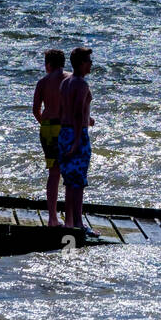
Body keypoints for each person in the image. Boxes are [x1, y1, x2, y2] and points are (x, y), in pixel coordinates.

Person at [57, 46, 95, 235]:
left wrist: (88, 119)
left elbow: (67, 111)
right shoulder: (81, 84)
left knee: (69, 180)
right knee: (78, 182)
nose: (91, 64)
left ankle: (69, 222)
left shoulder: (65, 83)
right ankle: (79, 223)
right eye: (89, 61)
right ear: (81, 63)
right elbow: (78, 112)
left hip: (64, 132)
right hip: (76, 134)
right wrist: (78, 140)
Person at [32, 48, 69, 226]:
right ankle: (71, 218)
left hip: (47, 127)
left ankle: (52, 218)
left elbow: (35, 110)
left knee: (53, 173)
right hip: (65, 128)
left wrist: (45, 125)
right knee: (69, 173)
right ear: (63, 63)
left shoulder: (42, 82)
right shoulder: (70, 79)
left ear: (48, 65)